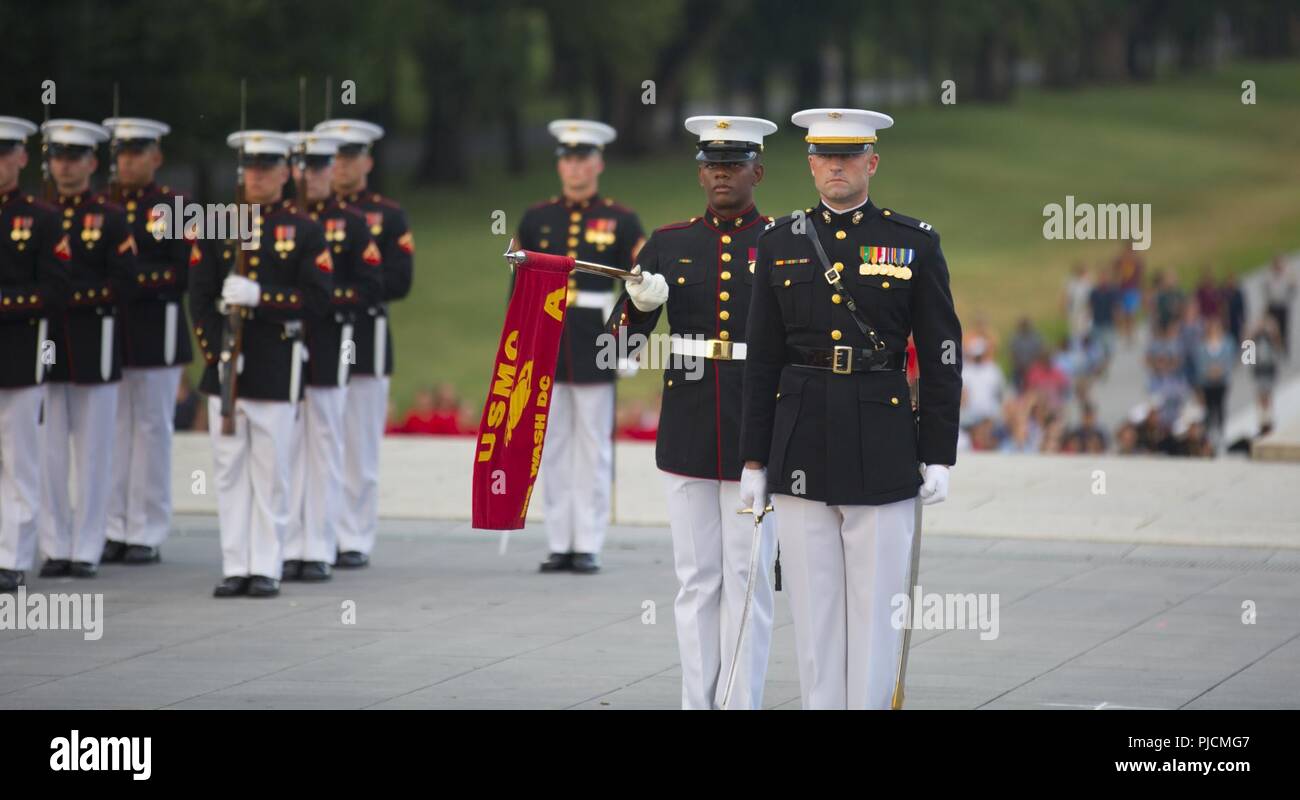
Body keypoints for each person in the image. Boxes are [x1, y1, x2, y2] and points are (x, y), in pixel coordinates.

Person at [739, 108, 962, 709]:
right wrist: (754, 459)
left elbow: (942, 355)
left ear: (872, 161)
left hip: (883, 436)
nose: (836, 166)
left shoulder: (913, 242)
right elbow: (762, 359)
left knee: (876, 608)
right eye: (825, 156)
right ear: (811, 164)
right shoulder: (779, 241)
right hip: (801, 435)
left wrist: (939, 453)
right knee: (814, 613)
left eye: (849, 155)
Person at [605, 115, 779, 709]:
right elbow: (620, 350)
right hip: (688, 426)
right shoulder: (670, 242)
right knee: (697, 581)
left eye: (734, 164)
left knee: (748, 582)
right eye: (712, 165)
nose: (722, 174)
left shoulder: (784, 240)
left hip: (759, 425)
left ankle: (739, 703)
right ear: (700, 173)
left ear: (759, 170)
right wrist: (636, 306)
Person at [189, 130, 331, 598]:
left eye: (267, 168)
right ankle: (236, 564)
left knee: (270, 472)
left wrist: (262, 298)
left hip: (274, 364)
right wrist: (218, 353)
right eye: (251, 168)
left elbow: (316, 300)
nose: (258, 176)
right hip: (227, 369)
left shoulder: (305, 230)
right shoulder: (219, 223)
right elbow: (200, 295)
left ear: (286, 173)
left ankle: (266, 564)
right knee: (228, 470)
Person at [516, 120, 645, 575]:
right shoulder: (536, 218)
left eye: (583, 158)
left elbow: (638, 289)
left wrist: (626, 347)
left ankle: (587, 540)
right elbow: (521, 289)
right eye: (568, 159)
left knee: (592, 445)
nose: (575, 167)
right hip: (547, 338)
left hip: (594, 337)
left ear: (598, 163)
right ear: (560, 165)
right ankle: (559, 540)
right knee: (550, 443)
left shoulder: (622, 220)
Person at [281, 130, 383, 583]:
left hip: (330, 341)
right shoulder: (276, 221)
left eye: (322, 166)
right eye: (306, 167)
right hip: (281, 343)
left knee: (327, 444)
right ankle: (287, 541)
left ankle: (320, 543)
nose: (316, 175)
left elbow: (372, 285)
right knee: (283, 448)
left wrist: (317, 298)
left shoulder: (353, 222)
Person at [313, 119, 414, 569]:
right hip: (315, 338)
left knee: (358, 445)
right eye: (332, 156)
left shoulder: (386, 215)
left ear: (367, 161)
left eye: (350, 156)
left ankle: (353, 535)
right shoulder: (308, 213)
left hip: (363, 337)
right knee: (317, 442)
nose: (340, 165)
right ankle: (317, 531)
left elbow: (397, 279)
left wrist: (331, 292)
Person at [37, 119, 136, 579]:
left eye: (74, 158)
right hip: (50, 341)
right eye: (58, 156)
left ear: (92, 163)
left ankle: (88, 545)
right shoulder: (36, 213)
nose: (65, 166)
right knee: (50, 449)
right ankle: (56, 542)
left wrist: (69, 294)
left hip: (94, 339)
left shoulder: (112, 216)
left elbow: (124, 280)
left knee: (94, 451)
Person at [101, 117, 195, 566]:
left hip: (157, 328)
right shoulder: (101, 205)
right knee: (114, 430)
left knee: (153, 429)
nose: (128, 161)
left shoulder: (175, 205)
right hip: (111, 331)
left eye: (137, 153)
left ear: (156, 157)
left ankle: (147, 528)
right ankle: (114, 524)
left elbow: (185, 270)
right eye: (122, 153)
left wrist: (131, 279)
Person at [0, 116, 60, 592]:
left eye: (6, 153)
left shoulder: (41, 218)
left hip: (19, 349)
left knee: (19, 459)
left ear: (22, 158)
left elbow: (54, 290)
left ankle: (12, 555)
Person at [1192, 316, 1234, 439]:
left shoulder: (1227, 344)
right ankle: (1208, 433)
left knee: (1220, 407)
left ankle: (1221, 432)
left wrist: (1220, 371)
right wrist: (1208, 372)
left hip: (1221, 382)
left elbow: (1229, 361)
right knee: (1208, 409)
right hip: (1207, 382)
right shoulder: (1202, 346)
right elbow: (1200, 364)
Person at [960, 336, 1003, 424]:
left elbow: (1000, 392)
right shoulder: (966, 370)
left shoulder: (992, 369)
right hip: (971, 416)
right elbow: (963, 394)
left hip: (990, 414)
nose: (978, 357)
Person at [1261, 255, 1294, 358]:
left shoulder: (1286, 276)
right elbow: (1265, 290)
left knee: (1284, 328)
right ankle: (1273, 349)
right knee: (1272, 329)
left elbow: (1292, 288)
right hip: (1273, 305)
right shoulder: (1269, 276)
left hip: (1282, 306)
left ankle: (1284, 349)